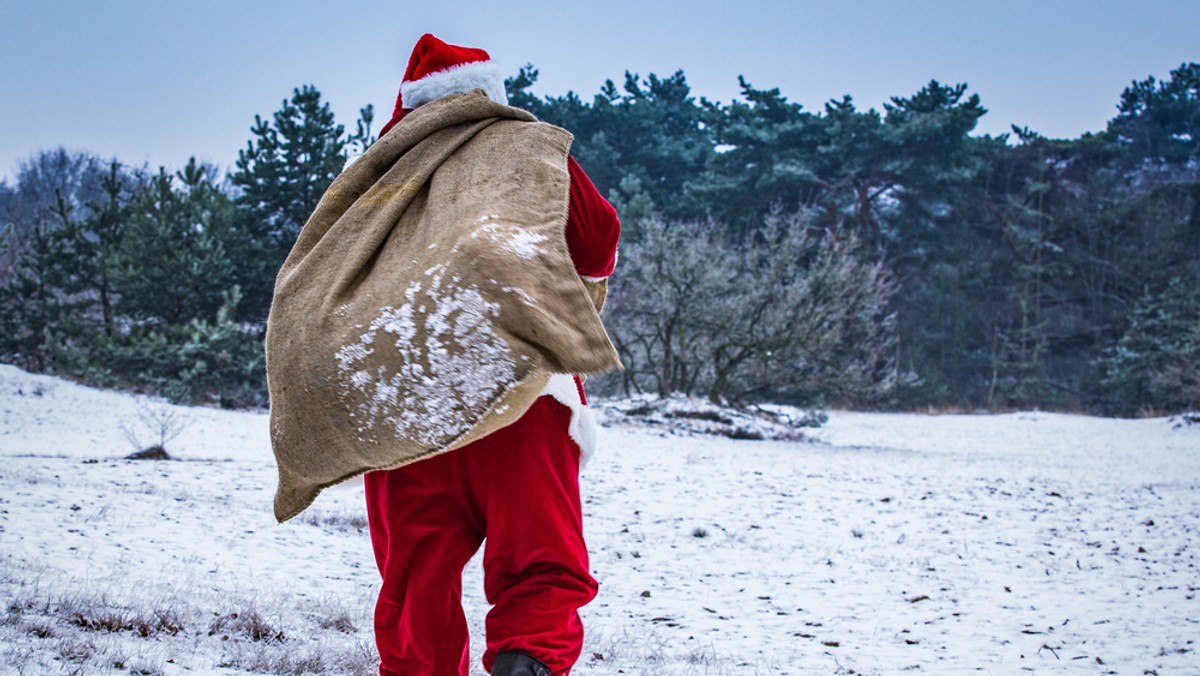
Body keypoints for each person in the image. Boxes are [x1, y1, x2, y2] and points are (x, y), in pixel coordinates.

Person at [341, 34, 618, 676]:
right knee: (541, 564)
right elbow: (597, 245)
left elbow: (327, 289)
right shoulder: (527, 149)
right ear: (488, 95)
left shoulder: (376, 178)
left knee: (415, 587)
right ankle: (529, 662)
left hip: (409, 413)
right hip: (523, 399)